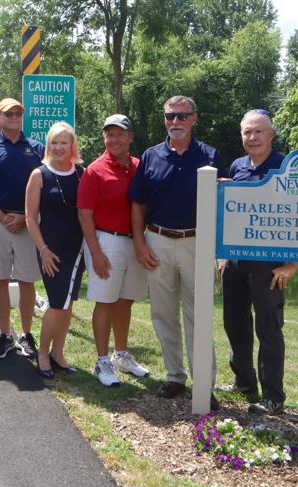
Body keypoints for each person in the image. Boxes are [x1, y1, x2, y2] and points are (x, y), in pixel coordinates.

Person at [129, 95, 224, 408]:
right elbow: (138, 204)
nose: (175, 122)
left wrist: (221, 249)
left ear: (194, 118)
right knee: (163, 313)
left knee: (199, 315)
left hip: (198, 242)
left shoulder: (210, 155)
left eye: (182, 116)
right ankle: (174, 376)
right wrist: (139, 242)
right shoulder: (151, 155)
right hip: (157, 241)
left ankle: (204, 385)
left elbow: (224, 203)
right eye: (170, 116)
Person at [221, 109, 298, 415]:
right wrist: (224, 255)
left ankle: (272, 396)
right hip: (236, 260)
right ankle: (244, 382)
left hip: (270, 263)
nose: (252, 137)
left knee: (268, 328)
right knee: (235, 323)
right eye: (247, 132)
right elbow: (229, 213)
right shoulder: (237, 166)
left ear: (271, 135)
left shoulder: (287, 168)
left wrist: (293, 264)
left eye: (258, 132)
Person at [77, 115, 149, 387]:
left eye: (120, 134)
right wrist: (95, 253)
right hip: (106, 241)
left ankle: (121, 354)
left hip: (135, 241)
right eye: (109, 134)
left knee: (125, 300)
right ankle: (102, 361)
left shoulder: (139, 166)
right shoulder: (95, 170)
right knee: (105, 302)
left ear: (130, 137)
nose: (114, 139)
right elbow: (84, 214)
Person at [0, 98, 44, 360]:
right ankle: (5, 335)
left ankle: (26, 334)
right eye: (9, 113)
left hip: (28, 222)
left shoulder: (37, 148)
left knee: (27, 280)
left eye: (18, 113)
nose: (14, 117)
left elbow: (45, 188)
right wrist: (4, 218)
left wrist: (25, 218)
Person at [25, 122, 85, 378]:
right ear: (48, 145)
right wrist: (43, 249)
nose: (59, 147)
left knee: (68, 303)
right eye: (54, 142)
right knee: (58, 303)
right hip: (51, 250)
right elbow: (30, 217)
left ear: (72, 145)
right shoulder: (39, 175)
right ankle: (42, 353)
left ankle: (58, 353)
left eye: (64, 142)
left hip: (77, 249)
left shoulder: (81, 173)